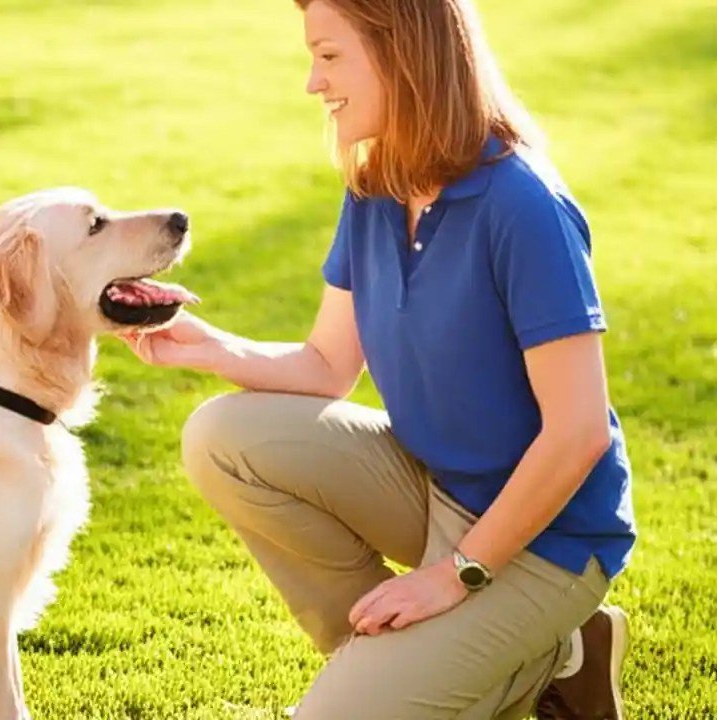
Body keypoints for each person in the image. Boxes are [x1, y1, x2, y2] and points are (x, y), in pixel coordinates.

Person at [123, 0, 636, 717]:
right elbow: (327, 365)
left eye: (330, 56)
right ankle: (423, 665)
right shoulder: (376, 184)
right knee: (221, 439)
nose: (312, 82)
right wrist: (210, 349)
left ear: (406, 53)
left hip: (548, 540)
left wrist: (453, 577)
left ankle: (537, 654)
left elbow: (578, 431)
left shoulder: (524, 206)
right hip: (437, 489)